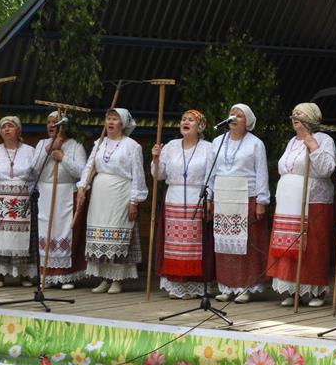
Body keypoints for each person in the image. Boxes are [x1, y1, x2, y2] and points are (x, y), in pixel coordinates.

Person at [267, 103, 336, 307]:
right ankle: (291, 288)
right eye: (294, 113)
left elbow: (326, 169)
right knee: (289, 242)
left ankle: (315, 290)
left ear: (312, 118)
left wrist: (312, 145)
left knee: (313, 244)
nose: (295, 116)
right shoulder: (292, 141)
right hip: (290, 201)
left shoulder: (324, 139)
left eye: (300, 113)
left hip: (314, 199)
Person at [76, 108, 147, 294]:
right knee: (100, 233)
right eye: (108, 118)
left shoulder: (132, 146)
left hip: (120, 193)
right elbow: (90, 167)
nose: (110, 122)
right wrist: (83, 187)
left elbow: (138, 176)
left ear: (122, 124)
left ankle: (117, 279)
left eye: (115, 119)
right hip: (100, 194)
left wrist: (134, 201)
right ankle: (104, 278)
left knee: (117, 233)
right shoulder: (99, 143)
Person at [208, 103, 270, 303]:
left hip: (246, 196)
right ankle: (226, 286)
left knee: (246, 244)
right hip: (223, 197)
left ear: (248, 121)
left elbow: (261, 173)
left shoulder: (255, 143)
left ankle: (245, 286)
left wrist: (262, 200)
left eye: (239, 115)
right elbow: (210, 172)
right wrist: (209, 197)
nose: (234, 118)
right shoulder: (217, 142)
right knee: (224, 243)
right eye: (231, 114)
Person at [151, 109, 213, 299]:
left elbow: (211, 176)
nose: (185, 122)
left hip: (196, 198)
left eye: (190, 120)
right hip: (174, 198)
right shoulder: (171, 146)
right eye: (183, 119)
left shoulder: (208, 148)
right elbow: (158, 175)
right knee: (174, 244)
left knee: (193, 245)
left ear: (200, 126)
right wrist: (155, 158)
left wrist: (209, 198)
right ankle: (175, 284)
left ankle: (192, 285)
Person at [31, 111, 87, 289]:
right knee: (45, 231)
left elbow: (81, 171)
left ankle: (66, 276)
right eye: (48, 122)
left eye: (55, 122)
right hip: (46, 192)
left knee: (64, 231)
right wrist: (49, 150)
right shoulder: (41, 144)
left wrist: (63, 158)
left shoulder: (76, 145)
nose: (50, 126)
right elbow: (33, 169)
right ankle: (45, 276)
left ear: (63, 125)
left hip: (65, 192)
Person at [0, 116, 37, 287]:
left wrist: (30, 194)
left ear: (18, 130)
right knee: (0, 237)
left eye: (10, 126)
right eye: (3, 127)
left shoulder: (29, 151)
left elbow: (35, 176)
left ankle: (24, 275)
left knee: (22, 238)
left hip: (23, 202)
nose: (6, 129)